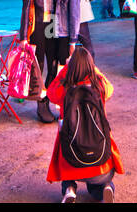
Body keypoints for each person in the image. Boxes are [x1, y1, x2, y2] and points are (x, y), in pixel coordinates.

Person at [45, 47, 123, 203]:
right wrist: (94, 69)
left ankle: (70, 189)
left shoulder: (65, 88)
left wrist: (66, 68)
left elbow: (50, 93)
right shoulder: (99, 86)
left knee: (64, 152)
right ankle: (105, 188)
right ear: (91, 65)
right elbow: (110, 88)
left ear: (71, 66)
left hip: (71, 161)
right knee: (100, 181)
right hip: (99, 159)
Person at [20, 0, 55, 122]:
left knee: (53, 65)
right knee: (39, 67)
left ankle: (47, 98)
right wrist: (23, 37)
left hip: (51, 26)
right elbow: (25, 11)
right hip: (38, 28)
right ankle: (40, 103)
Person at [47, 0, 81, 91]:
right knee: (52, 68)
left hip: (64, 34)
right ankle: (53, 95)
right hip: (52, 32)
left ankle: (66, 97)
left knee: (64, 68)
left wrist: (72, 41)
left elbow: (75, 17)